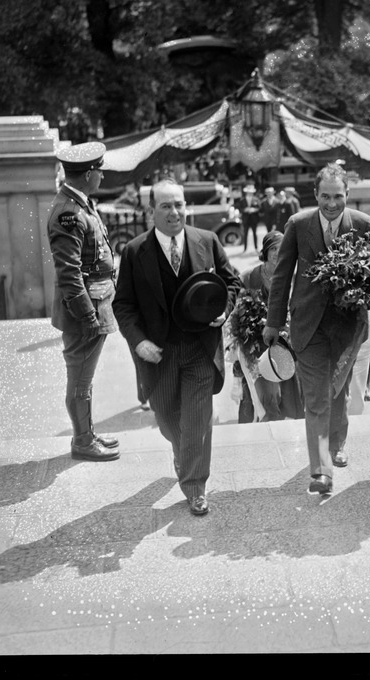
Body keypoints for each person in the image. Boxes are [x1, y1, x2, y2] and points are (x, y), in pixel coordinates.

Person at [114, 178, 241, 516]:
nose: (174, 212)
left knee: (197, 421)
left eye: (179, 205)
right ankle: (183, 453)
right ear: (151, 211)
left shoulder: (207, 241)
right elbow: (123, 304)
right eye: (166, 206)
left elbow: (232, 282)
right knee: (169, 421)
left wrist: (224, 310)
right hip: (160, 354)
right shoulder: (134, 252)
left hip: (200, 348)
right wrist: (138, 341)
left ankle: (195, 487)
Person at [262, 163, 370, 495]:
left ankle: (337, 442)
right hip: (308, 326)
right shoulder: (299, 225)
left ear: (347, 194)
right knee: (316, 397)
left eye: (338, 196)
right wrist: (273, 321)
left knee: (337, 389)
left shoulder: (364, 225)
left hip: (348, 327)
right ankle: (321, 470)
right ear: (315, 195)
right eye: (325, 196)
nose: (331, 203)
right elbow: (282, 276)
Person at [46, 142, 121, 462]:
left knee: (84, 378)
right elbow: (69, 273)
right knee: (80, 379)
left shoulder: (79, 203)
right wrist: (88, 316)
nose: (102, 176)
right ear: (89, 174)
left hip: (95, 303)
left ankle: (87, 434)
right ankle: (82, 441)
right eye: (99, 171)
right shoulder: (69, 213)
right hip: (85, 311)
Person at [237, 231, 304, 422]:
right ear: (265, 251)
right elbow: (237, 313)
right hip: (258, 345)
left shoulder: (295, 277)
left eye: (282, 248)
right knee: (266, 398)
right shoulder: (249, 277)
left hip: (288, 345)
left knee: (292, 395)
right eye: (273, 248)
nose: (277, 253)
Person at [237, 182, 262, 253]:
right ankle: (245, 248)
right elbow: (240, 208)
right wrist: (245, 210)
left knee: (254, 233)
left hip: (254, 219)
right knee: (245, 234)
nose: (250, 193)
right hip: (246, 219)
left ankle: (256, 247)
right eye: (248, 192)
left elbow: (259, 208)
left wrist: (254, 210)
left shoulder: (256, 199)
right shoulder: (242, 200)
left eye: (251, 192)